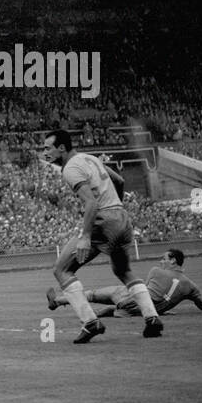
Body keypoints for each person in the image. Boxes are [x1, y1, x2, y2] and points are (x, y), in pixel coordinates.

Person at [43, 129, 164, 343]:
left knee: (62, 269)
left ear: (61, 148)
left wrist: (85, 236)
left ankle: (91, 323)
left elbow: (91, 202)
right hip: (121, 216)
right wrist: (116, 207)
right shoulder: (90, 159)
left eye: (47, 148)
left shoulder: (70, 167)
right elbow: (119, 181)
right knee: (123, 270)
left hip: (103, 221)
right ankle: (152, 318)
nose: (45, 153)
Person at [47, 249, 202, 317]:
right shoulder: (190, 286)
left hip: (135, 302)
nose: (161, 261)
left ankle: (57, 302)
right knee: (116, 307)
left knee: (95, 294)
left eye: (164, 258)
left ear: (173, 261)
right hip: (146, 310)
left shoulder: (156, 271)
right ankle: (113, 312)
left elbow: (140, 291)